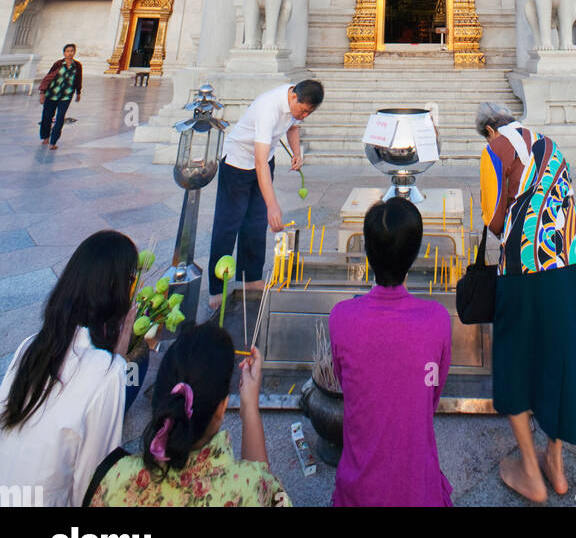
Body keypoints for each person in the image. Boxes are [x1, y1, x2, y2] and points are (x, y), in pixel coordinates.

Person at [477, 101, 576, 503]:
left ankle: (529, 469)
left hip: (525, 263)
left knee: (513, 353)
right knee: (559, 356)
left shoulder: (495, 148)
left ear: (490, 129)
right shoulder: (550, 143)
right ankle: (556, 466)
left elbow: (493, 218)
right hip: (570, 258)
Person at [329, 197, 452, 507]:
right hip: (419, 488)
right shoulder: (437, 320)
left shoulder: (341, 317)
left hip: (358, 491)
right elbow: (432, 395)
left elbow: (347, 385)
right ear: (415, 254)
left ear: (367, 252)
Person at [0, 230, 137, 506]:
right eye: (132, 283)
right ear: (118, 293)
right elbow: (95, 483)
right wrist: (118, 360)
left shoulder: (31, 346)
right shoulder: (107, 371)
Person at [87, 323, 287, 507]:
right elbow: (263, 486)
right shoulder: (250, 489)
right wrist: (250, 406)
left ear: (159, 398)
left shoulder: (113, 479)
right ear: (221, 408)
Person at [207, 79, 323, 310]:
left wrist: (296, 152)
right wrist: (273, 204)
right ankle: (216, 289)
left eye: (308, 113)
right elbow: (258, 162)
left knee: (255, 223)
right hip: (238, 163)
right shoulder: (267, 108)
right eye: (302, 110)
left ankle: (250, 277)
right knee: (228, 225)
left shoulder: (294, 103)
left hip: (262, 161)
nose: (303, 115)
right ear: (293, 97)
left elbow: (292, 126)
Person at [38, 42, 82, 147]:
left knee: (60, 117)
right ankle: (45, 137)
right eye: (68, 51)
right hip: (52, 93)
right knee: (47, 116)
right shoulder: (58, 64)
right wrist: (43, 92)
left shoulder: (77, 66)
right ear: (64, 52)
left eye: (72, 51)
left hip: (66, 95)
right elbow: (48, 77)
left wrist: (78, 92)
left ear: (74, 52)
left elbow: (78, 79)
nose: (70, 53)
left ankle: (53, 141)